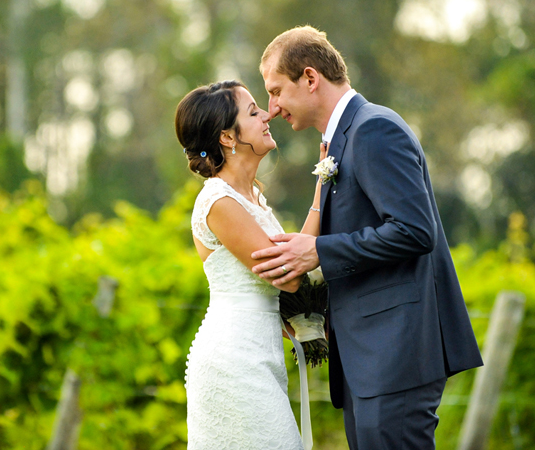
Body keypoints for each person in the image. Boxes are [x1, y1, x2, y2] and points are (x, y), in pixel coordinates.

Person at [250, 26, 483, 450]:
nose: (272, 108)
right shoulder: (342, 138)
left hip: (395, 357)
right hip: (371, 360)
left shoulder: (374, 130)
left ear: (310, 77)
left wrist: (319, 252)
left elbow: (415, 230)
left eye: (276, 90)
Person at [175, 80, 324, 450]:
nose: (267, 114)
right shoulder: (218, 202)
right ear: (227, 136)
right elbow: (287, 276)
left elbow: (297, 251)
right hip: (233, 361)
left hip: (261, 355)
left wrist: (325, 181)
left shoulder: (253, 196)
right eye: (254, 111)